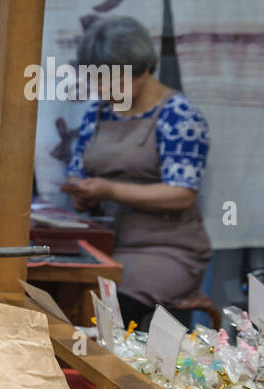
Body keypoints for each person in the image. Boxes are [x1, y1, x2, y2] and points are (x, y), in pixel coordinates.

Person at [61, 16, 212, 330]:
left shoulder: (178, 114)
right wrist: (82, 195)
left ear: (143, 68)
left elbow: (181, 194)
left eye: (112, 80)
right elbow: (78, 174)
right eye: (97, 79)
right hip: (107, 244)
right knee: (63, 291)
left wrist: (109, 190)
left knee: (106, 306)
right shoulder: (97, 113)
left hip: (167, 251)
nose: (102, 89)